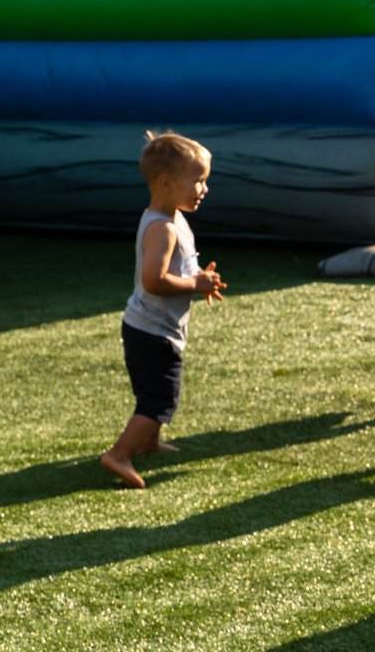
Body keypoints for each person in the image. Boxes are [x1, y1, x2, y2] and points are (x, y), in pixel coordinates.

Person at [100, 132, 226, 489]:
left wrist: (199, 278)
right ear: (167, 183)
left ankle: (149, 442)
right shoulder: (162, 228)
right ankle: (119, 454)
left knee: (151, 393)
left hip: (150, 329)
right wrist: (194, 285)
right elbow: (154, 281)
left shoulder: (172, 218)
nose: (204, 189)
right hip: (152, 332)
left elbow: (177, 268)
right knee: (160, 399)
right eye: (198, 181)